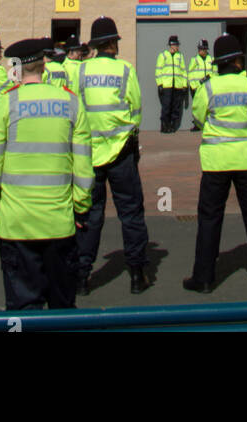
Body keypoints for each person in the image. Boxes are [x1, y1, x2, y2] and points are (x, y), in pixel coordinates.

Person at [0, 37, 94, 311]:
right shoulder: (70, 102)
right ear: (43, 65)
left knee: (21, 312)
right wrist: (80, 208)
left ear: (16, 69)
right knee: (62, 308)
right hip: (59, 224)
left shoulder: (6, 105)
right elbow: (84, 168)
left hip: (16, 227)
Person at [183, 34, 247, 293]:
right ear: (238, 60)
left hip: (215, 162)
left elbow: (198, 118)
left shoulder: (208, 88)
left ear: (217, 62)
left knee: (209, 220)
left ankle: (203, 279)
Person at [75, 16, 150, 294]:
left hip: (89, 155)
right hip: (121, 152)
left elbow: (76, 109)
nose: (117, 46)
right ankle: (136, 274)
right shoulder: (125, 70)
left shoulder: (80, 72)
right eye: (115, 41)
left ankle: (82, 276)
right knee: (130, 213)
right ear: (109, 43)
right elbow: (137, 108)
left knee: (89, 215)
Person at [155, 34, 188, 133]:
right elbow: (158, 71)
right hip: (166, 86)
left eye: (178, 45)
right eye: (176, 45)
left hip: (177, 85)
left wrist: (184, 85)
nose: (178, 47)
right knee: (166, 106)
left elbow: (183, 71)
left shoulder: (180, 56)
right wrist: (159, 84)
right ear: (171, 45)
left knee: (176, 106)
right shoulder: (163, 55)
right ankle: (164, 126)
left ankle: (173, 125)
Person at [188, 40, 214, 130]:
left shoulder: (211, 59)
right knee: (198, 106)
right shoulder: (194, 60)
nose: (200, 51)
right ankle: (197, 124)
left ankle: (209, 124)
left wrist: (210, 78)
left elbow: (215, 72)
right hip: (197, 87)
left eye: (202, 49)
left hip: (209, 87)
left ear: (206, 50)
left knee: (209, 105)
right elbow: (190, 74)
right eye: (199, 49)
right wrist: (194, 86)